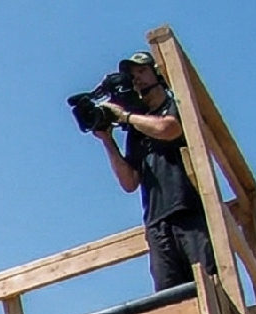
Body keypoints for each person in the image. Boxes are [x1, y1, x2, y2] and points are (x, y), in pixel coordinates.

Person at [85, 50, 214, 292]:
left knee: (210, 287)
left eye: (142, 71)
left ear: (157, 73)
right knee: (169, 300)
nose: (138, 79)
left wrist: (125, 116)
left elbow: (169, 129)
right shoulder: (136, 128)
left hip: (189, 212)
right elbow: (129, 182)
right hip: (157, 223)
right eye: (132, 76)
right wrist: (107, 140)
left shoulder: (174, 105)